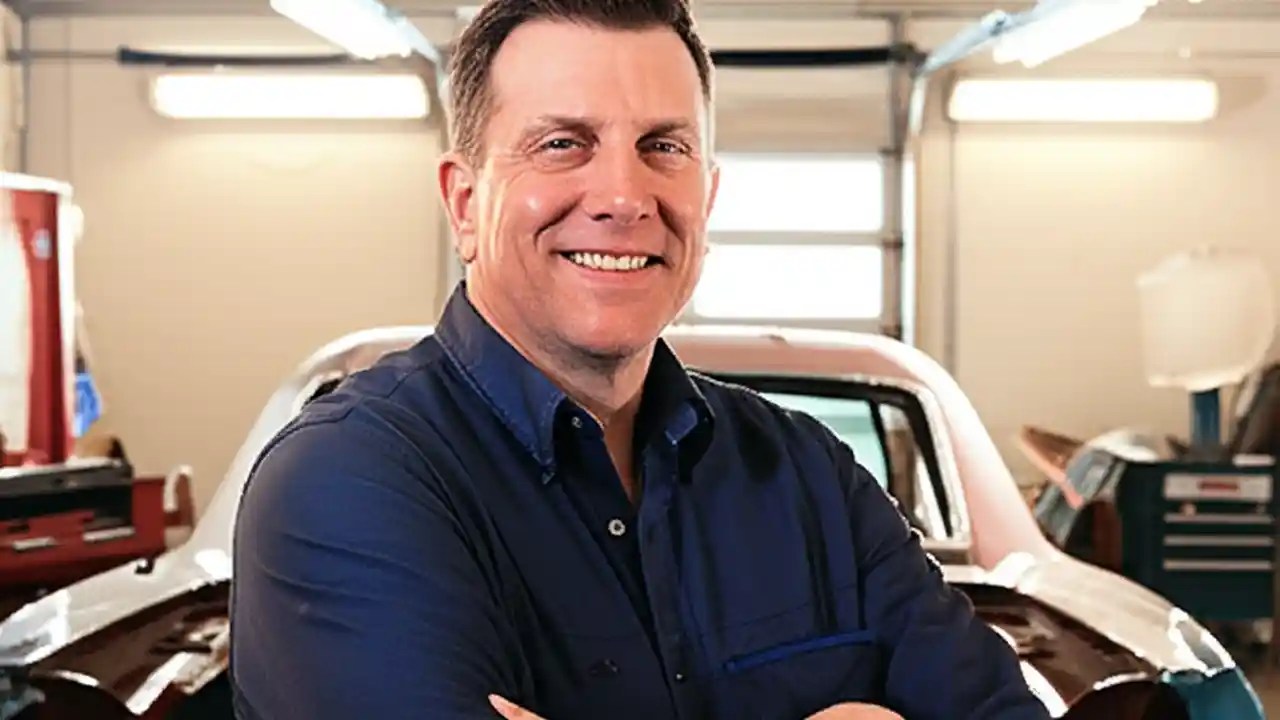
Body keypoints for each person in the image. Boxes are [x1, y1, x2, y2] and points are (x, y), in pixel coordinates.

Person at [228, 1, 1051, 718]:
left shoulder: (812, 479)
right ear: (466, 203)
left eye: (664, 147)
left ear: (708, 197)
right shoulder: (346, 480)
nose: (625, 196)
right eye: (562, 144)